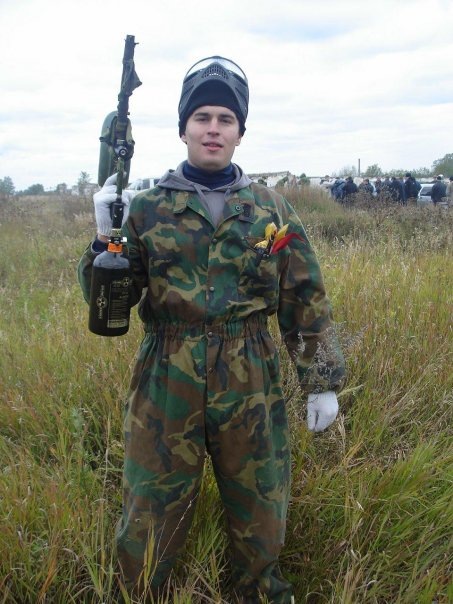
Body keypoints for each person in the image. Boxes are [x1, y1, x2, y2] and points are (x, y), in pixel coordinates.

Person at [78, 55, 346, 604]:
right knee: (150, 508)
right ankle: (143, 594)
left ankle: (259, 593)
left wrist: (320, 381)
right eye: (202, 117)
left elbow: (303, 294)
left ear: (240, 131)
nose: (213, 128)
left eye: (226, 118)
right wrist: (106, 238)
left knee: (261, 506)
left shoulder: (270, 210)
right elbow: (111, 303)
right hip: (166, 377)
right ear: (183, 129)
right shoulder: (147, 208)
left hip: (251, 376)